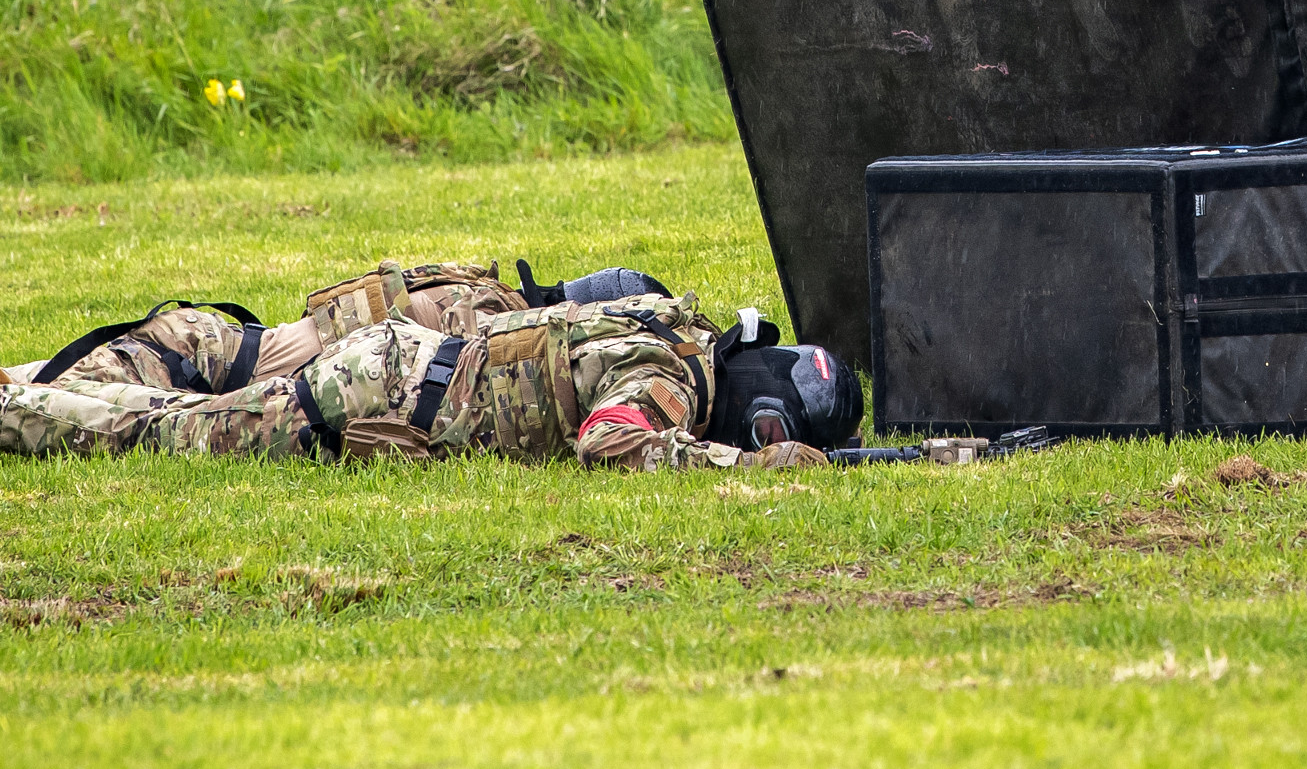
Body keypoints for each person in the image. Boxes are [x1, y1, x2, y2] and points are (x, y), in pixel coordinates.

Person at [0, 287, 860, 470]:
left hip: (397, 362)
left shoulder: (672, 319)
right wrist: (739, 469)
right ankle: (16, 406)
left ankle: (25, 386)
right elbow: (612, 440)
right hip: (382, 399)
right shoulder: (669, 377)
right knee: (164, 431)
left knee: (191, 401)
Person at [0, 260, 668, 395]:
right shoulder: (485, 314)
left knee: (42, 389)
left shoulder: (476, 291)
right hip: (206, 359)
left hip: (214, 356)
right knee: (35, 397)